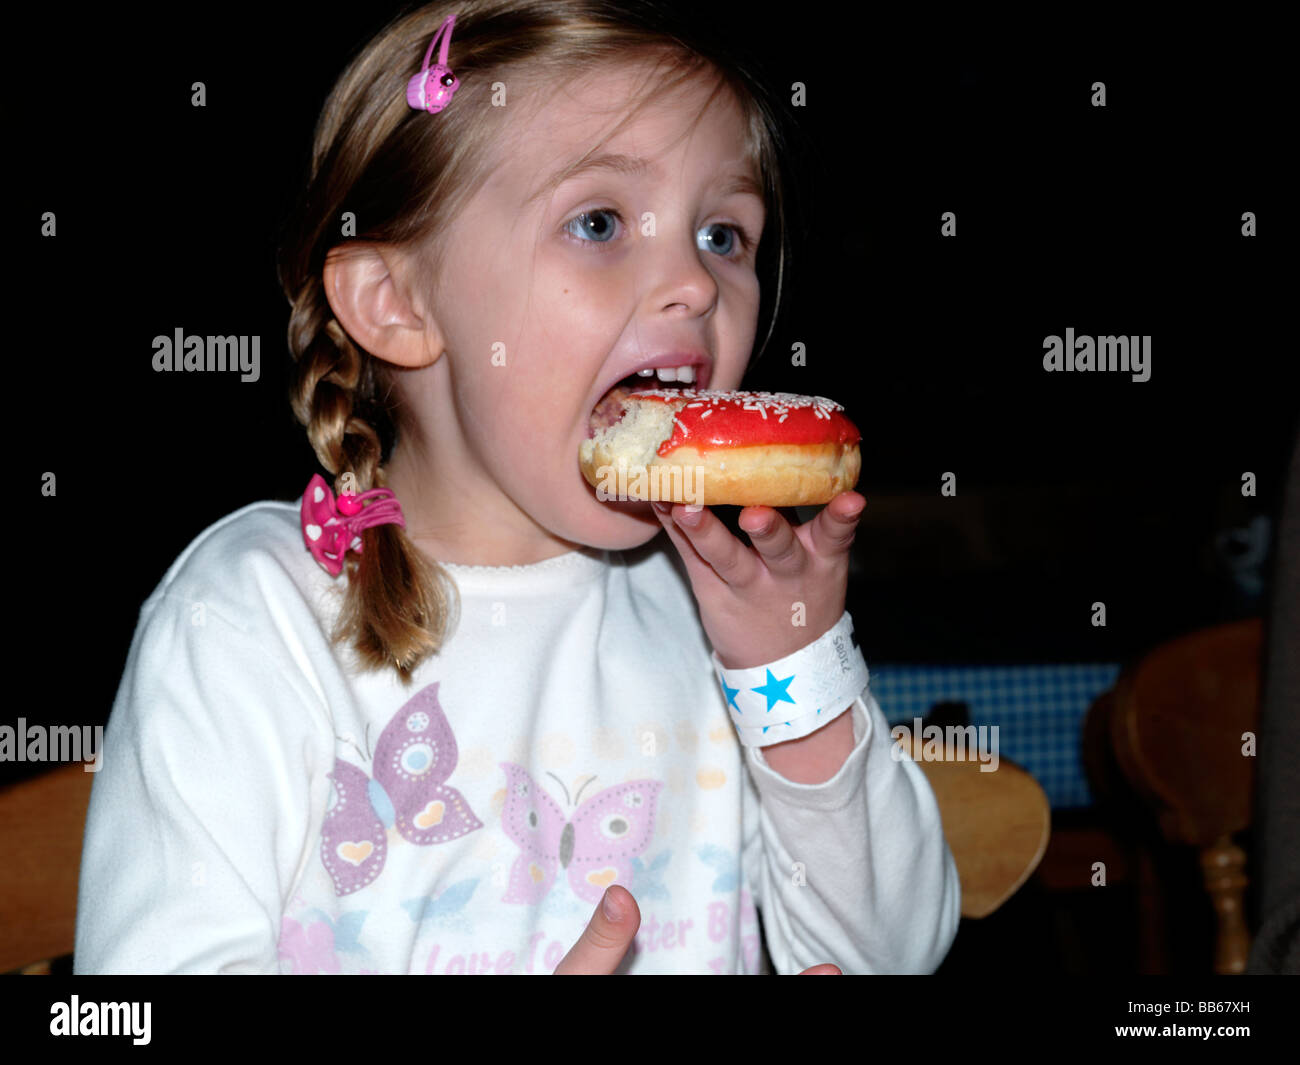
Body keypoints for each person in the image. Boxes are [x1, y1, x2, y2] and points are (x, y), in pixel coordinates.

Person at [74, 0, 959, 974]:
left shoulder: (715, 610)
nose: (697, 287)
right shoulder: (250, 621)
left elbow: (888, 955)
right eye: (598, 221)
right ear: (396, 304)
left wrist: (792, 675)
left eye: (722, 235)